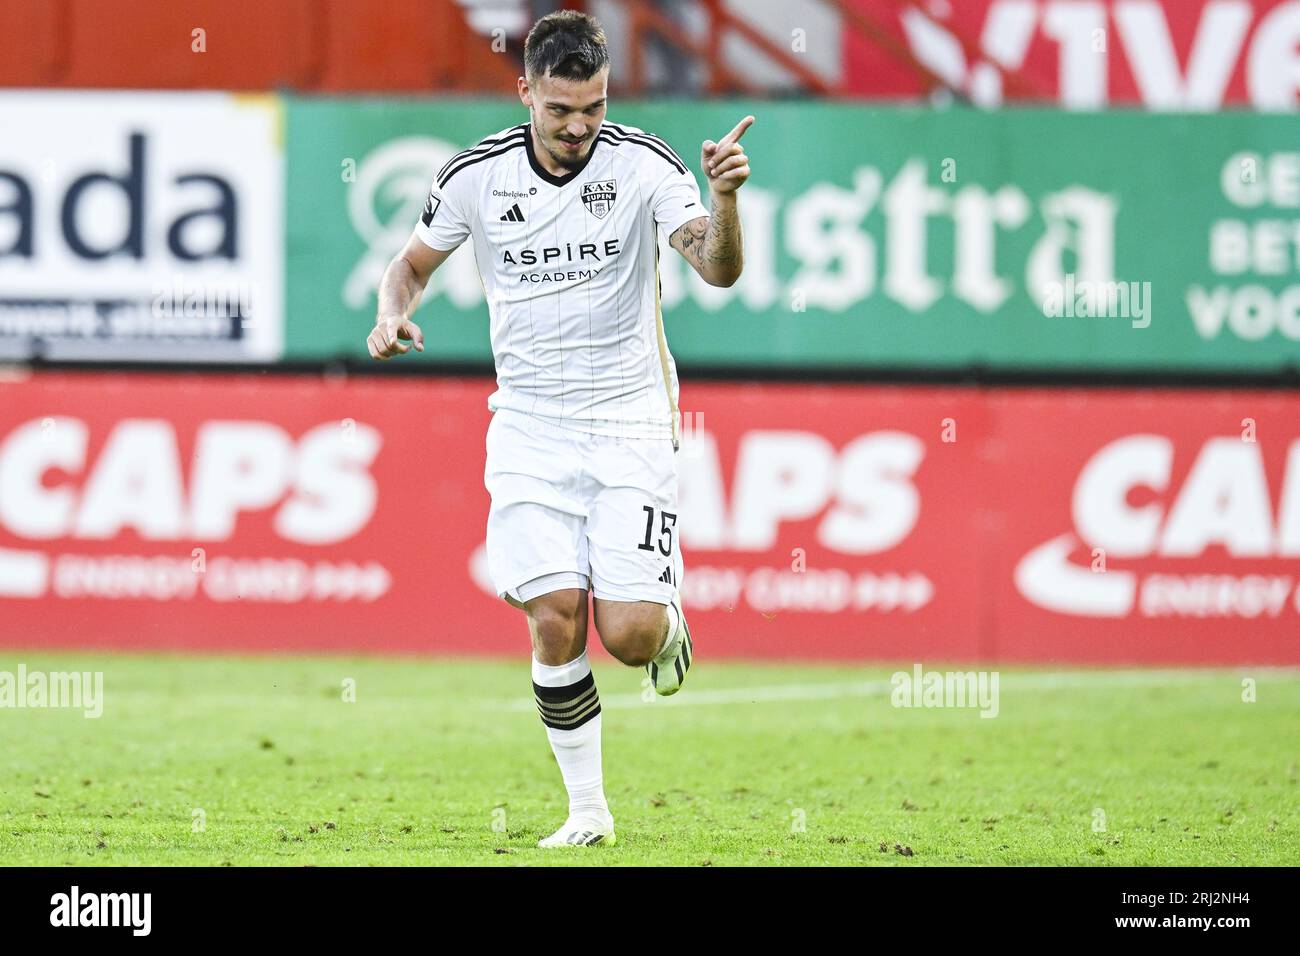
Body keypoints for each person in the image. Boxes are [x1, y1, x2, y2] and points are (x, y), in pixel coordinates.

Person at [366, 9, 751, 847]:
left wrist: (724, 201)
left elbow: (716, 269)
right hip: (531, 428)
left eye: (594, 109)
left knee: (630, 636)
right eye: (560, 110)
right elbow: (410, 264)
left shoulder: (646, 166)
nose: (578, 128)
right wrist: (391, 313)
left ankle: (664, 618)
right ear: (526, 92)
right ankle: (588, 812)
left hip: (629, 420)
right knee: (552, 616)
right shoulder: (475, 177)